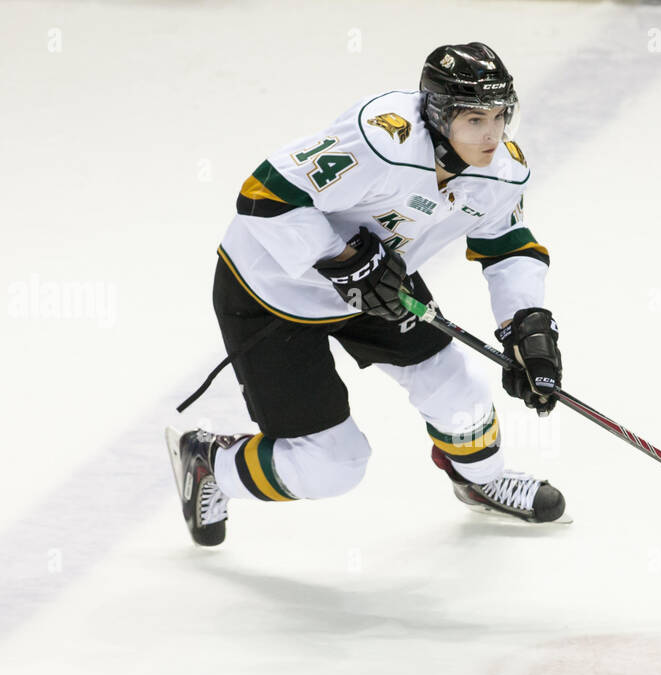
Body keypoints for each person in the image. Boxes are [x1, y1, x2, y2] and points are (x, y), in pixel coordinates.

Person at [166, 41, 565, 546]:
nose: (491, 135)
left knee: (457, 392)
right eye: (475, 120)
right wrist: (344, 259)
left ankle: (480, 481)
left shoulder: (501, 169)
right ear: (440, 117)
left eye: (499, 117)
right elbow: (261, 194)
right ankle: (210, 463)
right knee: (334, 464)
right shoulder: (380, 141)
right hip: (271, 289)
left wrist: (527, 325)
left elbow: (506, 246)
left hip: (378, 279)